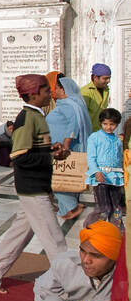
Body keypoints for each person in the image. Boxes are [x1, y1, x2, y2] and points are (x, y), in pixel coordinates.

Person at [0, 74, 69, 294]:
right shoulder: (27, 118)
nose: (50, 94)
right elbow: (20, 156)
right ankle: (71, 285)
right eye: (46, 90)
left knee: (18, 236)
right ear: (34, 94)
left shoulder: (37, 115)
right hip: (32, 188)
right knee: (56, 242)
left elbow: (33, 151)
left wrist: (49, 151)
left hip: (35, 186)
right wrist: (49, 155)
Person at [43, 74, 91, 223]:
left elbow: (74, 124)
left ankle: (73, 207)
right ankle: (66, 209)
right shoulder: (73, 103)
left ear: (64, 90)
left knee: (56, 178)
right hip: (60, 147)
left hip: (63, 149)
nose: (54, 90)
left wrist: (67, 141)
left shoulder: (68, 104)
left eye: (56, 88)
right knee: (66, 179)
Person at [86, 108, 125, 224]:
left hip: (115, 178)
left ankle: (117, 232)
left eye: (112, 124)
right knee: (104, 208)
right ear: (101, 123)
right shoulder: (94, 137)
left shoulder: (118, 140)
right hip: (101, 177)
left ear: (117, 124)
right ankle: (92, 228)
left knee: (116, 208)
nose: (108, 127)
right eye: (105, 124)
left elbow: (120, 158)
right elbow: (91, 158)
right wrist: (96, 172)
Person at [79, 63, 112, 133]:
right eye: (105, 78)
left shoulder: (106, 90)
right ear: (95, 77)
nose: (108, 81)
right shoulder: (85, 92)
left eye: (109, 78)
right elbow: (81, 115)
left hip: (101, 132)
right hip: (88, 133)